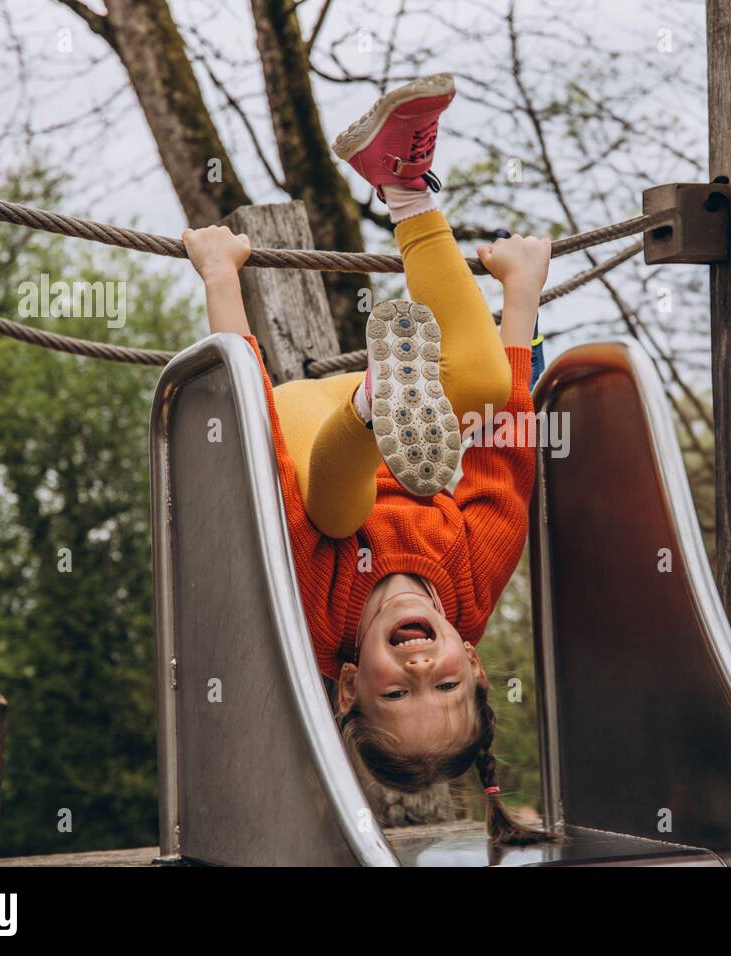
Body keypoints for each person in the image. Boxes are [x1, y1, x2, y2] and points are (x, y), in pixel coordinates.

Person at [183, 73, 552, 845]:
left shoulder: (317, 621)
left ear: (351, 684)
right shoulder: (471, 581)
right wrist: (522, 294)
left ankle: (374, 410)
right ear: (474, 662)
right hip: (381, 405)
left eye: (395, 695)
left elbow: (253, 449)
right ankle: (403, 183)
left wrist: (222, 279)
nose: (420, 674)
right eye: (446, 684)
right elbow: (505, 451)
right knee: (481, 386)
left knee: (335, 512)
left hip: (297, 436)